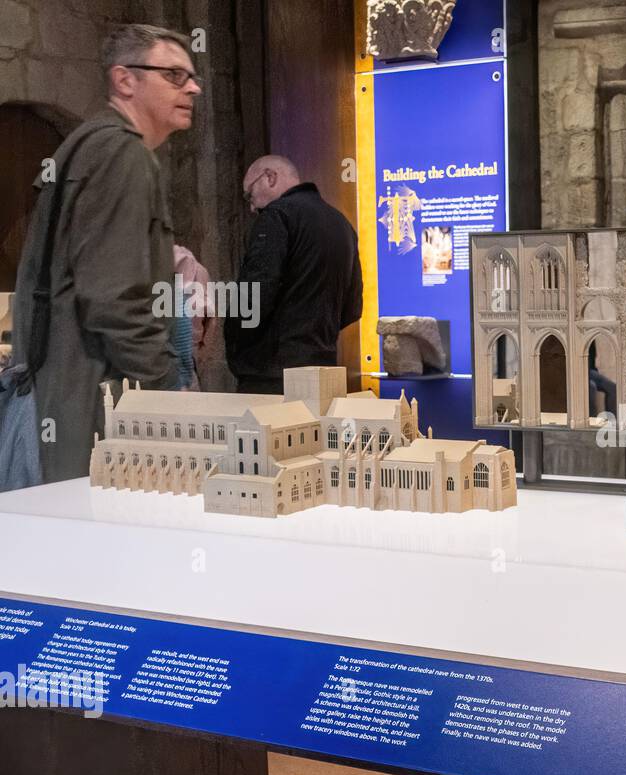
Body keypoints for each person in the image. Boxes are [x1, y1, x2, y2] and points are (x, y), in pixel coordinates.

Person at [10, 23, 200, 483]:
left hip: (62, 394)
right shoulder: (121, 153)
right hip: (90, 404)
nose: (192, 87)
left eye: (191, 77)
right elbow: (115, 300)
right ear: (125, 80)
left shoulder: (88, 145)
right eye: (174, 75)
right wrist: (165, 389)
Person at [227, 156, 363, 394]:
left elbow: (253, 295)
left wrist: (235, 343)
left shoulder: (277, 216)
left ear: (269, 177)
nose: (251, 207)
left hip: (271, 375)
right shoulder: (342, 224)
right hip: (323, 372)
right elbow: (353, 308)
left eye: (250, 195)